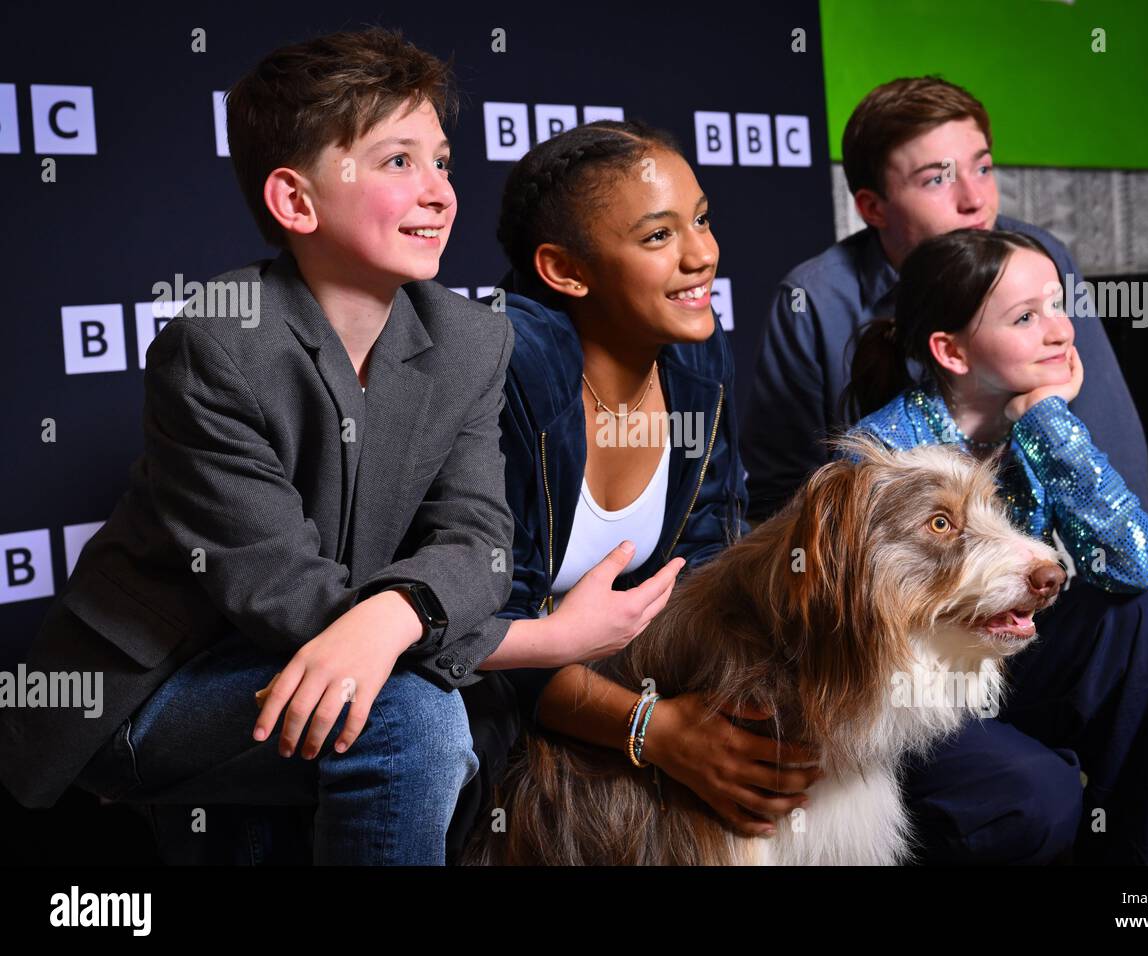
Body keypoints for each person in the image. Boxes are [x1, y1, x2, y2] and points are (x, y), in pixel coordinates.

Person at [0, 28, 656, 866]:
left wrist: (397, 613)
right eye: (396, 163)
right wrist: (537, 641)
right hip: (161, 685)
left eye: (443, 161)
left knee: (427, 711)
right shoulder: (217, 342)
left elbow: (480, 542)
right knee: (412, 714)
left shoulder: (468, 340)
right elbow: (279, 597)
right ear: (296, 203)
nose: (439, 193)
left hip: (322, 663)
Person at [469, 120, 824, 843]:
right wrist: (655, 731)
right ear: (566, 270)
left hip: (632, 674)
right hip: (498, 710)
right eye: (658, 237)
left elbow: (702, 561)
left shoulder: (693, 356)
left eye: (701, 219)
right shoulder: (509, 371)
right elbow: (483, 630)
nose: (703, 256)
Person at [842, 228, 1148, 865]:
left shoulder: (1036, 424)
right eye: (1027, 317)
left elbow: (1135, 563)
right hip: (920, 699)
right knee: (1039, 795)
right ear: (951, 351)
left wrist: (1052, 423)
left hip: (1007, 661)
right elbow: (865, 643)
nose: (1061, 330)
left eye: (1058, 305)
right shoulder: (881, 457)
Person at [743, 75, 1148, 523]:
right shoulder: (812, 302)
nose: (975, 200)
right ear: (873, 207)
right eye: (937, 179)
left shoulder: (1041, 258)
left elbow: (1112, 442)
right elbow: (781, 496)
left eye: (983, 168)